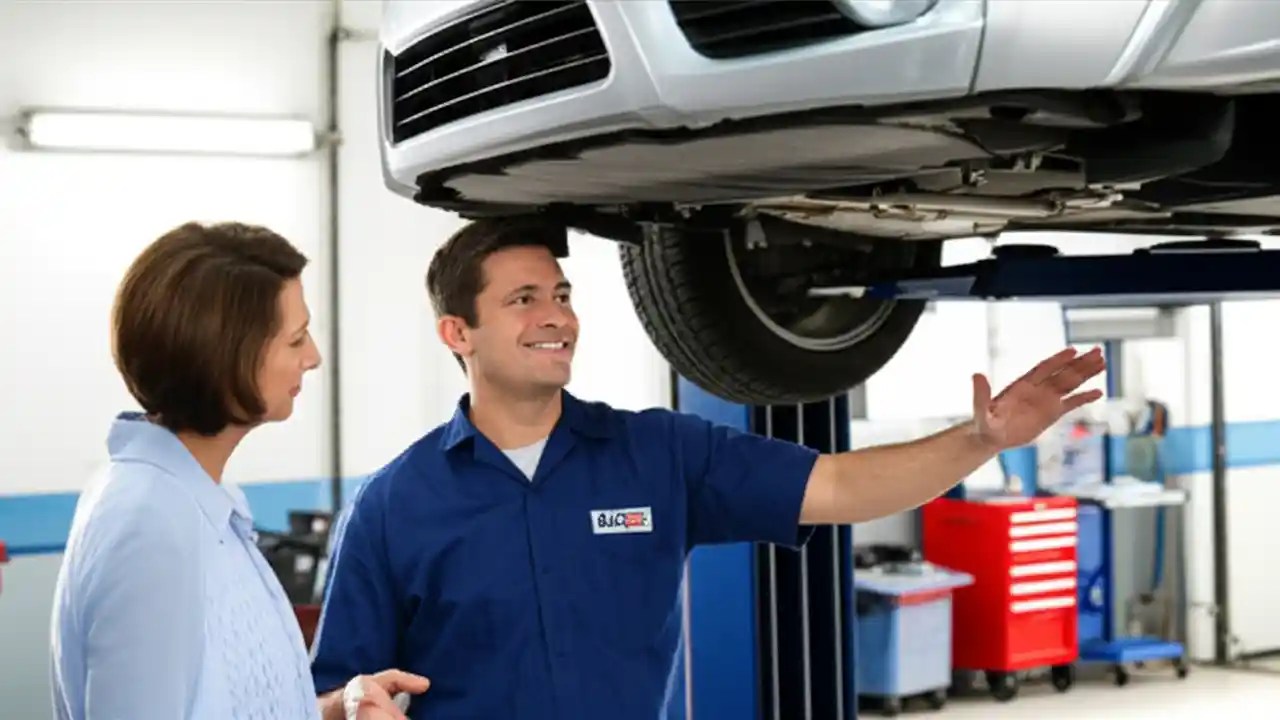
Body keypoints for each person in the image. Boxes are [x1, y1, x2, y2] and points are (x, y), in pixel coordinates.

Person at [309, 218, 1106, 719]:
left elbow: (839, 485)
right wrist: (350, 705)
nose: (557, 316)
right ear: (458, 333)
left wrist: (980, 440)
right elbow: (335, 694)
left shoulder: (657, 454)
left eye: (562, 293)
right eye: (523, 300)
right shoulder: (393, 506)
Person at [49, 221, 429, 720]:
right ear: (232, 356)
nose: (313, 357)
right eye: (296, 340)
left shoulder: (202, 504)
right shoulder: (148, 524)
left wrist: (333, 710)